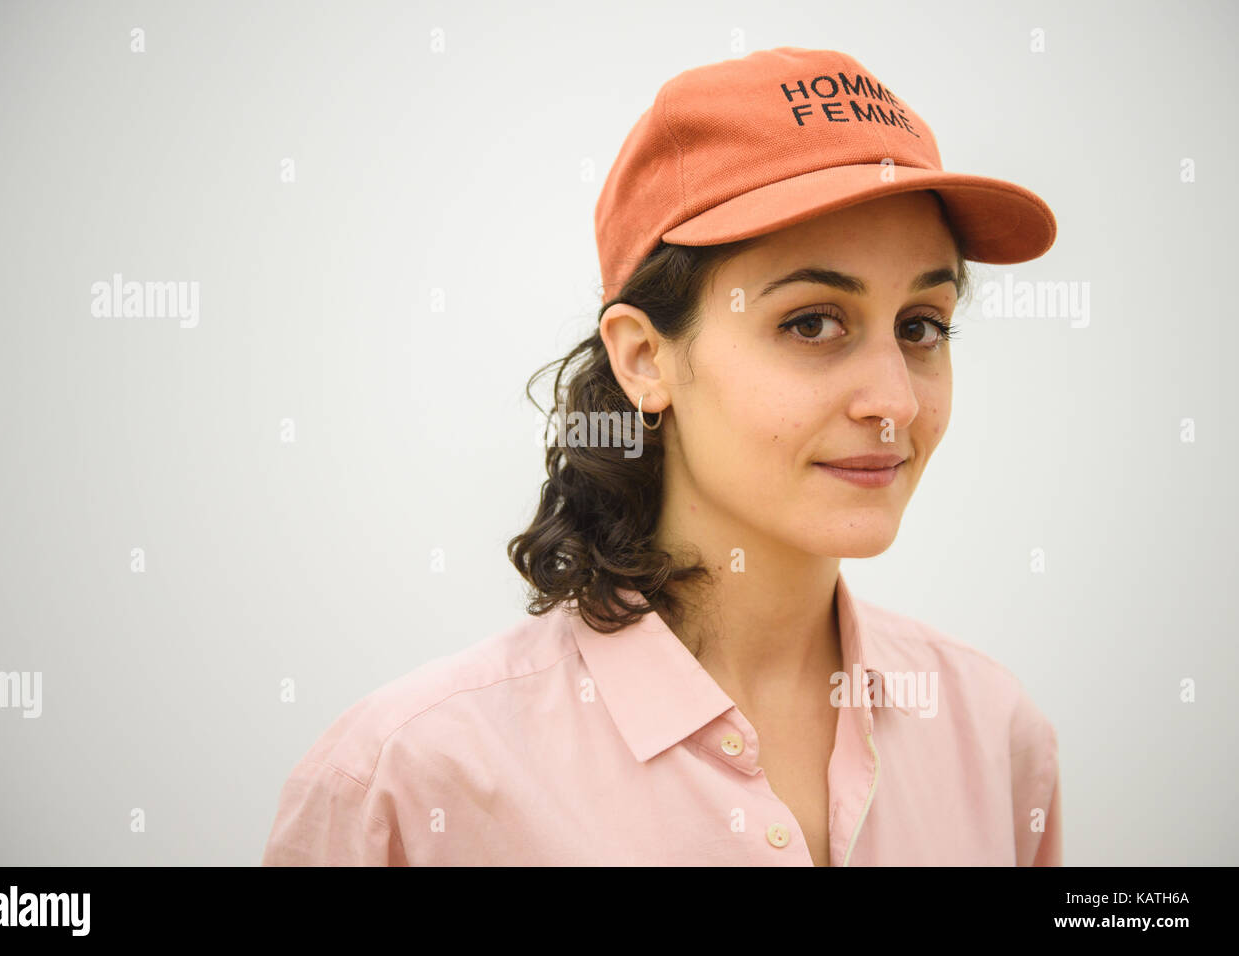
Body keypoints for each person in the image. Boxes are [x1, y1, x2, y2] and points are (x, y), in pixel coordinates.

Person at [262, 47, 1061, 866]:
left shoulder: (994, 734)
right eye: (811, 323)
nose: (893, 402)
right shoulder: (414, 782)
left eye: (921, 326)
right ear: (643, 357)